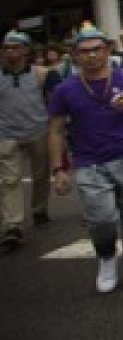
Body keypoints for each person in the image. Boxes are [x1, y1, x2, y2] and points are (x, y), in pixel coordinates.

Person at [46, 27, 123, 293]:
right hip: (88, 162)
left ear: (107, 50)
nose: (92, 56)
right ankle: (106, 258)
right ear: (75, 56)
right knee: (100, 219)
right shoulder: (64, 89)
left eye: (97, 49)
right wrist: (59, 169)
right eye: (85, 51)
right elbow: (56, 131)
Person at [0, 30, 58, 250]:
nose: (10, 51)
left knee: (41, 175)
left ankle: (39, 209)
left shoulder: (43, 74)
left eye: (15, 47)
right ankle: (12, 226)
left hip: (38, 131)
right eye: (6, 48)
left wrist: (57, 130)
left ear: (25, 50)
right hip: (6, 134)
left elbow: (54, 104)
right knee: (10, 180)